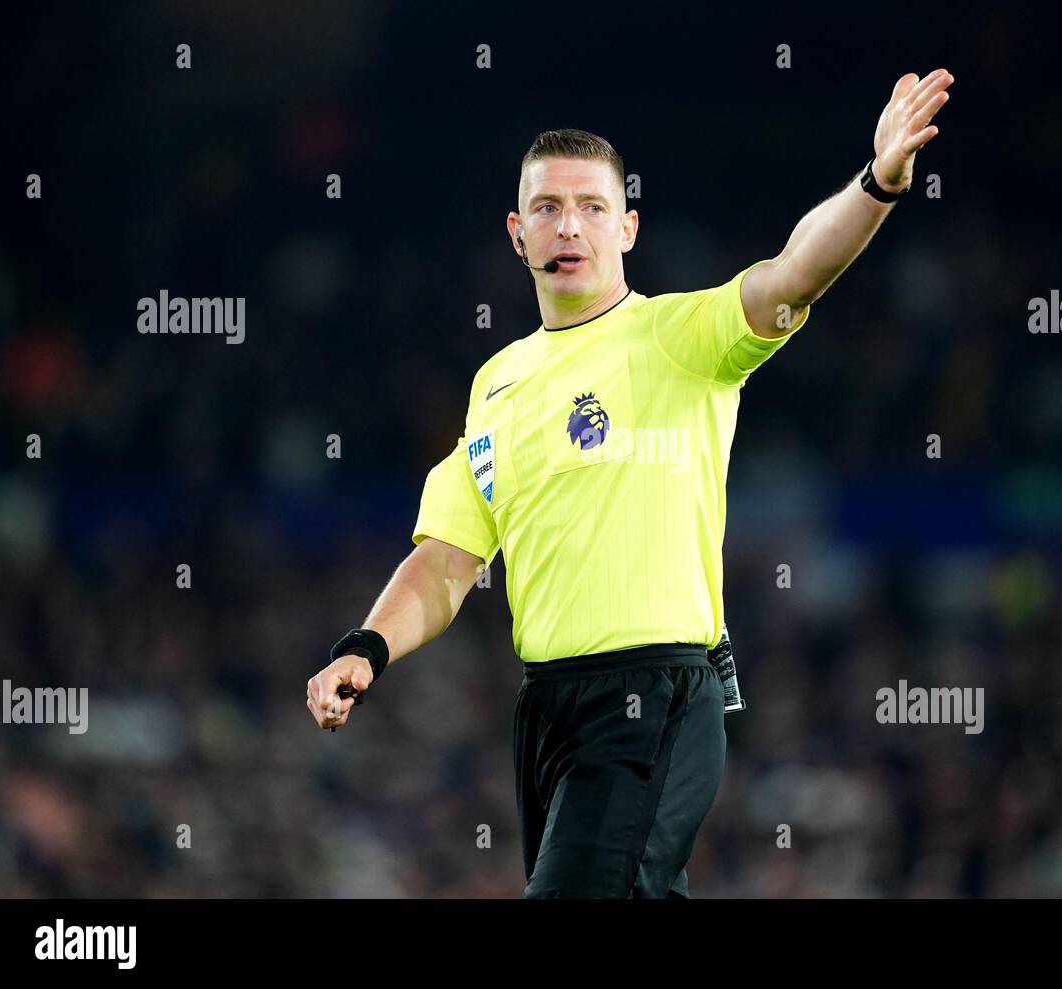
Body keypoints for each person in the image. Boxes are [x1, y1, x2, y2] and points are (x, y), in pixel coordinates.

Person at [306, 69, 954, 897]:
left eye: (591, 207)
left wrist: (876, 184)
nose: (568, 224)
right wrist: (367, 645)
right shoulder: (497, 384)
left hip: (655, 691)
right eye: (547, 207)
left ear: (628, 227)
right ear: (516, 232)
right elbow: (448, 559)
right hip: (546, 710)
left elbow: (793, 273)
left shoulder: (677, 335)